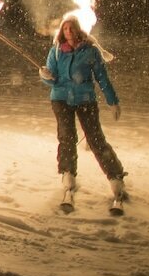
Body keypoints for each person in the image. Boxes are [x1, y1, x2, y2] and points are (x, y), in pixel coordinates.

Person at [39, 15, 127, 208]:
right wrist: (45, 76)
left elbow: (102, 78)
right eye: (65, 29)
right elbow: (51, 78)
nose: (68, 32)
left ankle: (116, 176)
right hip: (60, 99)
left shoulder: (91, 52)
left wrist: (112, 101)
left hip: (85, 99)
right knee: (67, 137)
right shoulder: (56, 52)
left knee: (95, 139)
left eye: (71, 28)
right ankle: (68, 175)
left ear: (78, 30)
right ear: (62, 32)